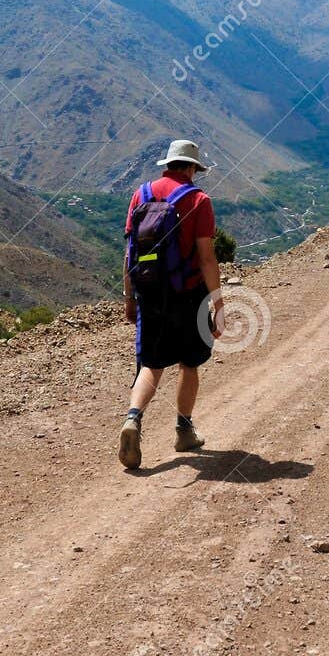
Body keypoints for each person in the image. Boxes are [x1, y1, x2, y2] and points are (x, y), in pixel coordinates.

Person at [119, 139, 223, 469]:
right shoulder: (198, 200)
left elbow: (130, 253)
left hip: (150, 293)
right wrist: (219, 306)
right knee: (188, 363)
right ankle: (184, 430)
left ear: (168, 164)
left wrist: (129, 297)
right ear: (192, 168)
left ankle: (133, 418)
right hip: (188, 295)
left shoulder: (142, 194)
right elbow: (207, 259)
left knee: (151, 362)